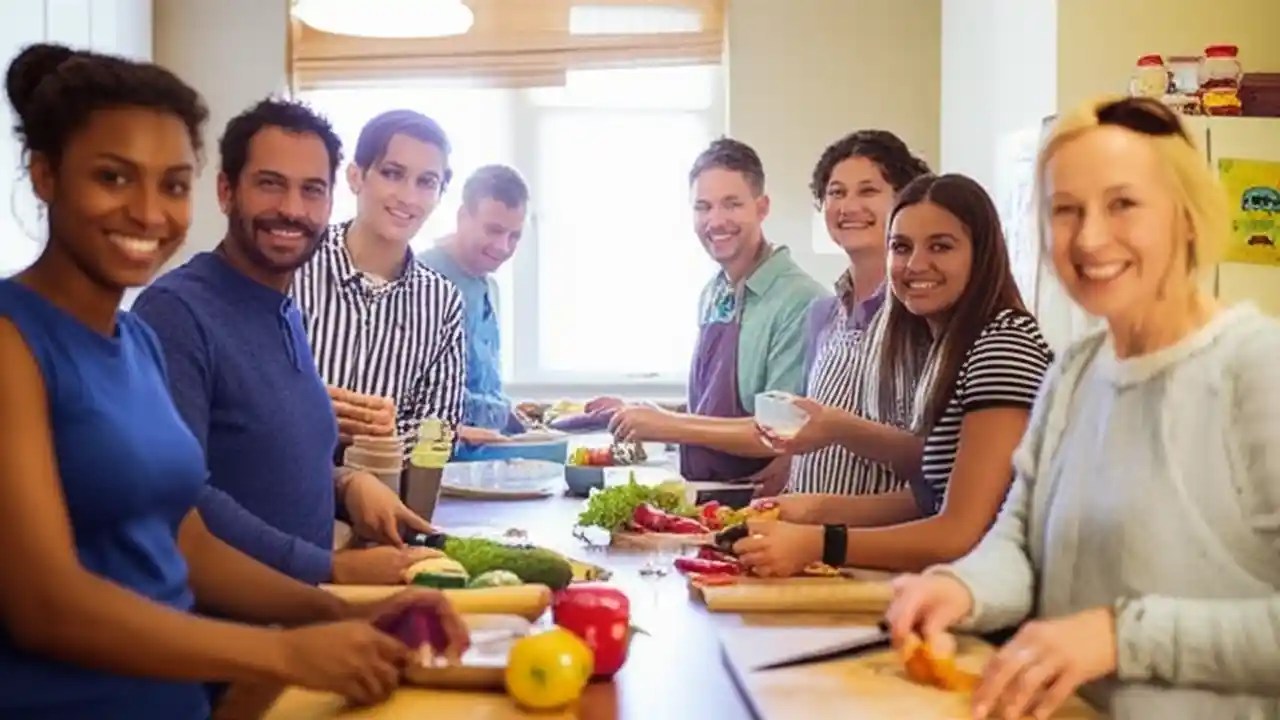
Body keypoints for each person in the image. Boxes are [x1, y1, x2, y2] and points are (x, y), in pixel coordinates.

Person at [0, 43, 467, 720]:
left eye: (172, 183)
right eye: (112, 177)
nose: (149, 212)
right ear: (45, 176)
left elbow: (186, 542)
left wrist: (340, 612)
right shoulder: (15, 339)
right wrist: (285, 651)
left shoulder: (133, 343)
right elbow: (45, 607)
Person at [885, 97, 1280, 720]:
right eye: (1065, 211)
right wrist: (957, 587)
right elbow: (1019, 543)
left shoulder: (1254, 367)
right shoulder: (1073, 371)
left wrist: (1122, 637)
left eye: (1123, 204)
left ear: (1186, 216)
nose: (1090, 238)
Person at [133, 99, 433, 587]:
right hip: (229, 638)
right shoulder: (175, 313)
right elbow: (180, 498)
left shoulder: (282, 310)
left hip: (297, 614)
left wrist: (346, 486)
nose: (292, 210)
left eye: (312, 190)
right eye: (270, 184)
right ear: (227, 191)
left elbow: (256, 458)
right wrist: (332, 568)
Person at [733, 173, 1052, 575]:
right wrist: (811, 508)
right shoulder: (951, 347)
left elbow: (960, 534)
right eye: (901, 247)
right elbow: (927, 497)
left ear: (982, 254)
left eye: (941, 246)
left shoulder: (1004, 345)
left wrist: (820, 542)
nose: (916, 265)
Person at [604, 138, 828, 483]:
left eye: (732, 204)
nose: (716, 220)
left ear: (762, 207)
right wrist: (647, 413)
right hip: (704, 489)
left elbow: (780, 431)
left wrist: (668, 425)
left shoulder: (801, 301)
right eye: (703, 207)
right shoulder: (714, 292)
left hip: (753, 501)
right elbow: (710, 410)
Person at [291, 109, 465, 451]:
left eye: (426, 182)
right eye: (392, 173)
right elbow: (247, 398)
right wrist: (313, 414)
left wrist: (384, 434)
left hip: (386, 498)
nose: (408, 197)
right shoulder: (293, 266)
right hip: (282, 492)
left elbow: (441, 432)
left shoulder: (443, 303)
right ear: (356, 177)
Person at [418, 164, 529, 443]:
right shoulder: (423, 280)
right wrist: (500, 413)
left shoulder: (488, 286)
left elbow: (481, 380)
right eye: (494, 230)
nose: (503, 247)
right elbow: (421, 397)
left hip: (486, 458)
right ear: (463, 217)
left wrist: (509, 412)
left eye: (514, 236)